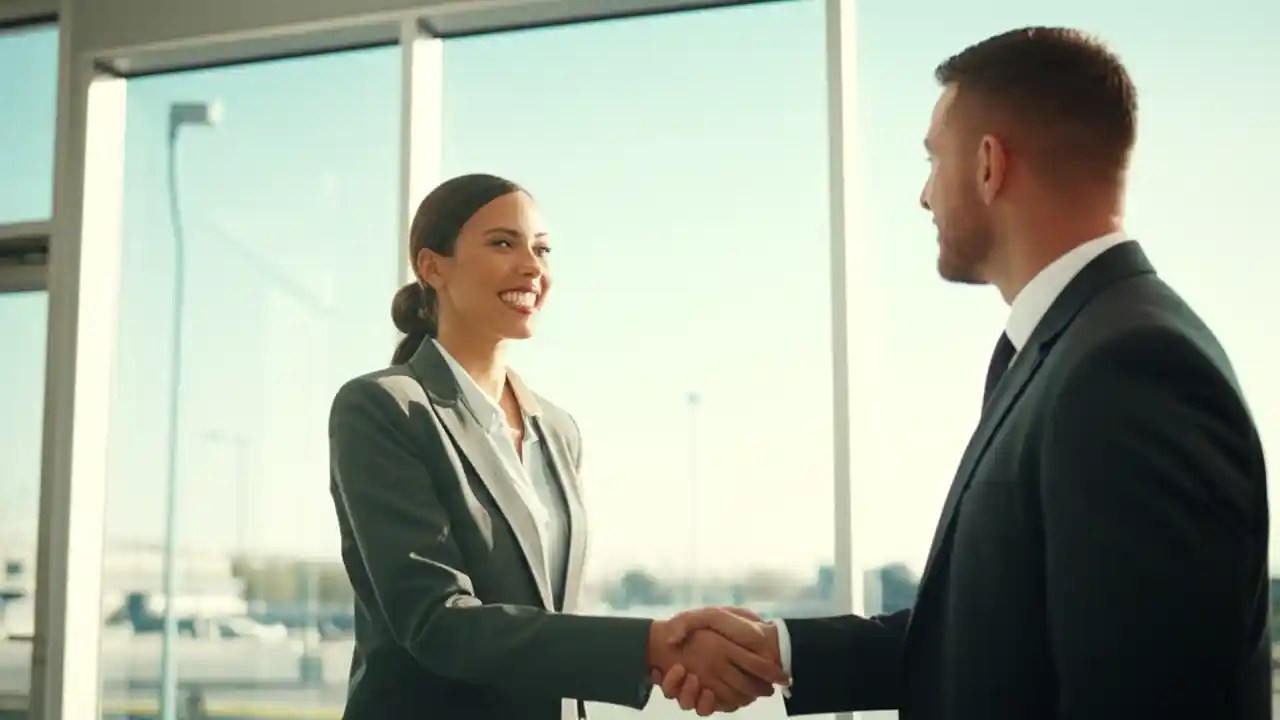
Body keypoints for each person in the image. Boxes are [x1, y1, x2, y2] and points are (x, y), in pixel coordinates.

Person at [658, 26, 1271, 719]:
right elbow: (998, 638)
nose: (924, 196)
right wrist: (782, 651)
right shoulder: (1079, 347)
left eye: (931, 159)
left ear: (987, 165)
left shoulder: (1130, 371)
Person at [327, 173, 788, 719]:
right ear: (433, 267)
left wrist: (674, 650)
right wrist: (653, 646)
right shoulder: (384, 407)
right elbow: (436, 621)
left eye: (541, 249)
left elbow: (549, 609)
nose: (532, 266)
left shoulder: (558, 428)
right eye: (503, 243)